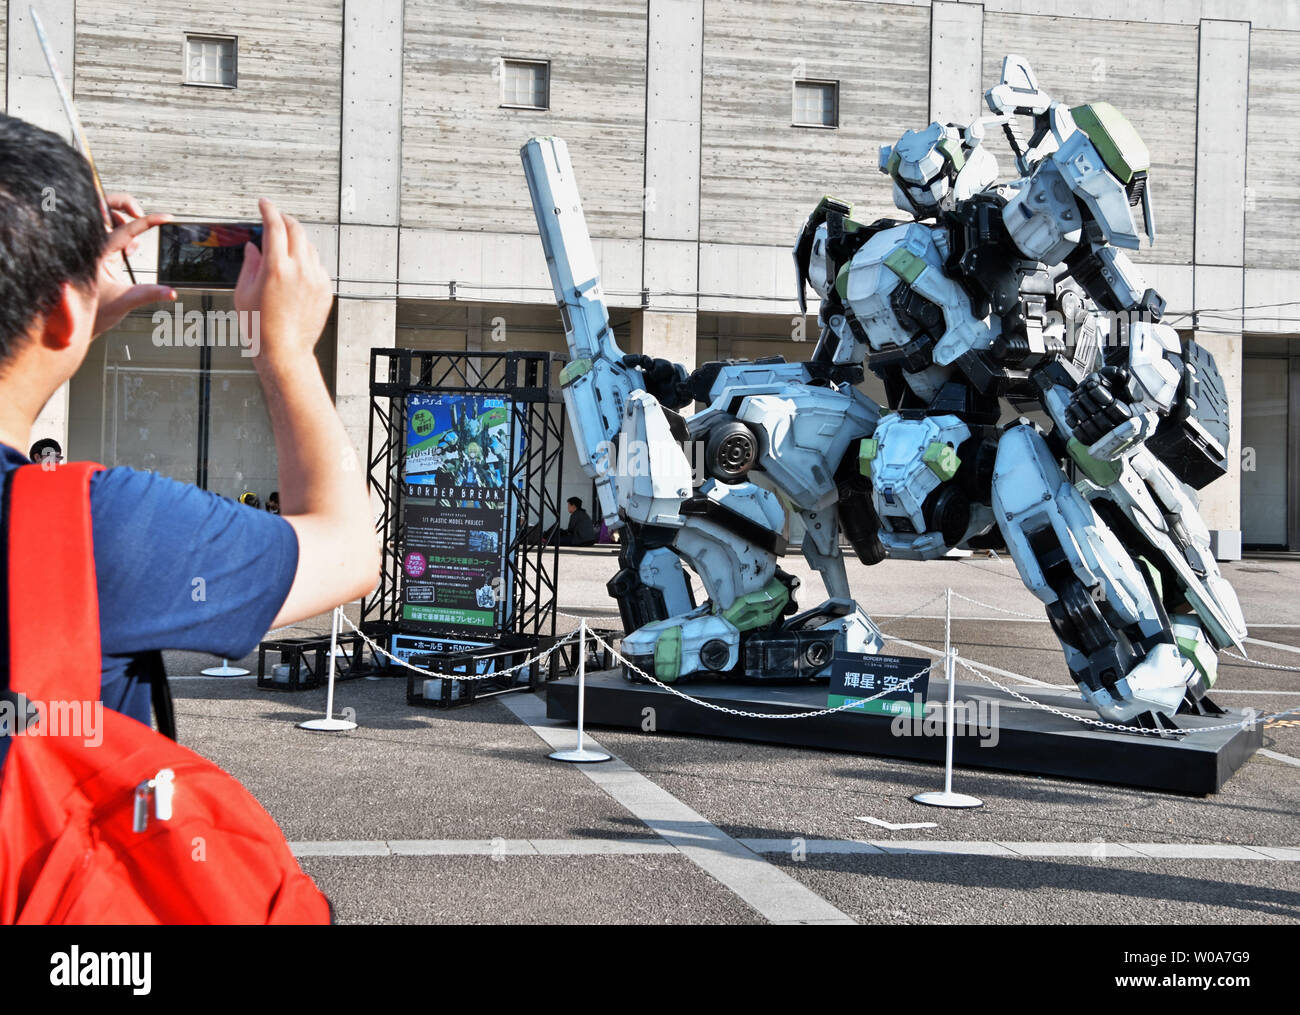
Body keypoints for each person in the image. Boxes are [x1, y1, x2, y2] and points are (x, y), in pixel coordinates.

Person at [0, 114, 379, 771]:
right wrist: (284, 352)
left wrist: (65, 317)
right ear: (66, 311)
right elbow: (349, 551)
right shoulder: (92, 526)